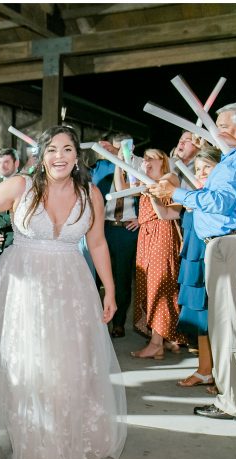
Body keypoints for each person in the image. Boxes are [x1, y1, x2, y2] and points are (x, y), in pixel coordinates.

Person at [0, 125, 126, 459]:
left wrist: (110, 289)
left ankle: (69, 435)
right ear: (41, 156)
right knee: (31, 364)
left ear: (77, 156)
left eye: (67, 149)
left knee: (71, 365)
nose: (59, 156)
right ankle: (35, 439)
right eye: (52, 149)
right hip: (27, 289)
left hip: (72, 288)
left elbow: (97, 243)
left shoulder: (91, 194)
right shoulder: (21, 186)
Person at [149, 102, 236, 421]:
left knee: (228, 329)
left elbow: (218, 202)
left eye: (223, 126)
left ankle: (232, 403)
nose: (216, 132)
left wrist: (177, 193)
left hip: (231, 246)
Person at [129, 149, 188, 359]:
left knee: (160, 286)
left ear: (163, 161)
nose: (146, 162)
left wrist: (152, 193)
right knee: (148, 284)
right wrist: (121, 162)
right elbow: (121, 189)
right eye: (144, 159)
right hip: (145, 236)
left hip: (161, 234)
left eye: (151, 158)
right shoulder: (146, 182)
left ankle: (156, 344)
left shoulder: (169, 178)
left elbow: (168, 214)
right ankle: (165, 338)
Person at [176, 147, 221, 387]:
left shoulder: (222, 196)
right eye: (198, 168)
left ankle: (222, 374)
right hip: (193, 260)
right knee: (200, 314)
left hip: (213, 258)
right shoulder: (194, 195)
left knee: (218, 316)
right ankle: (205, 369)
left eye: (207, 167)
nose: (201, 172)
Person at [99, 134, 142, 338]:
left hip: (127, 230)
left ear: (131, 147)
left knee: (122, 279)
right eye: (114, 149)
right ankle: (100, 322)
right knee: (101, 277)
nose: (118, 153)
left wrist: (141, 218)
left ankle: (118, 323)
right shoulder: (103, 167)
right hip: (104, 228)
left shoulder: (140, 165)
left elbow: (149, 193)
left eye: (121, 149)